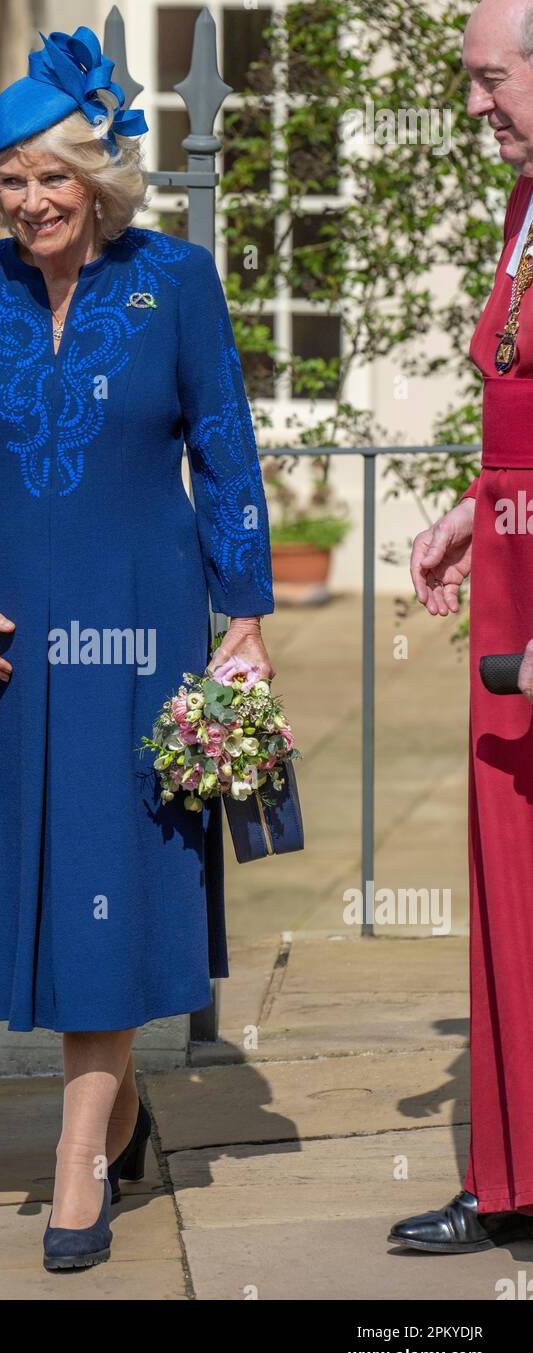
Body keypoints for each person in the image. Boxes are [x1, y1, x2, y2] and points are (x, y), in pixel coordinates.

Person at [0, 25, 275, 1272]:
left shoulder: (176, 281)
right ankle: (130, 1111)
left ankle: (77, 1160)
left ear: (98, 178)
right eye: (10, 179)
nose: (32, 200)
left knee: (112, 881)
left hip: (142, 631)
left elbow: (228, 457)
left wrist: (246, 620)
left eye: (54, 175)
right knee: (45, 894)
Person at [396, 0, 533, 1253]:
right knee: (507, 875)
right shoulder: (523, 204)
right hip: (511, 575)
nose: (475, 106)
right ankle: (513, 1173)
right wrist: (466, 509)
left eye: (493, 80)